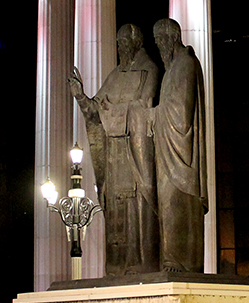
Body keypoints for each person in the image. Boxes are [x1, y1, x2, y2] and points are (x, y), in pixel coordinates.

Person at [69, 25, 160, 274]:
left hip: (136, 151)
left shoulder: (149, 70)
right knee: (116, 203)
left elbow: (144, 107)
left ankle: (141, 262)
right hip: (114, 153)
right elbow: (95, 112)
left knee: (137, 204)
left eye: (122, 43)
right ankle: (117, 265)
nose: (120, 48)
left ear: (134, 44)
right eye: (118, 43)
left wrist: (112, 111)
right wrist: (80, 96)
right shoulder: (115, 75)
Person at [148, 18, 208, 272]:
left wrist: (152, 114)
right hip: (169, 152)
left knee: (175, 204)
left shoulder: (184, 64)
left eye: (161, 41)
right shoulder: (173, 68)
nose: (159, 47)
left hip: (180, 157)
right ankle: (172, 259)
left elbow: (181, 116)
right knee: (167, 206)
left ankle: (180, 261)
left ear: (172, 38)